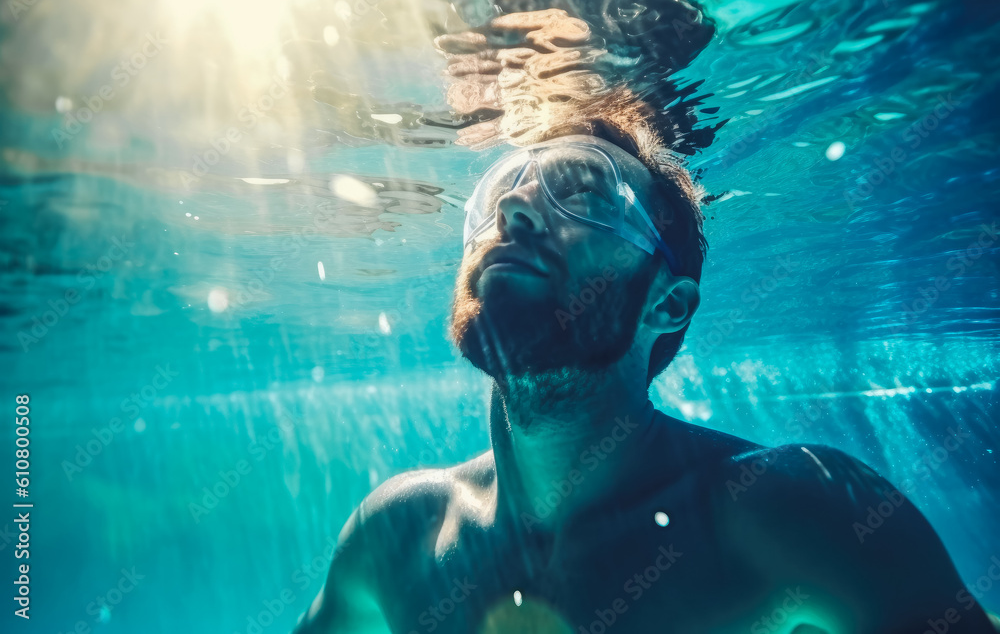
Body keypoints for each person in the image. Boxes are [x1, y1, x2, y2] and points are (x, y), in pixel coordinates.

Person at [292, 126, 1000, 633]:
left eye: (585, 198)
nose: (513, 211)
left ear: (667, 303)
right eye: (500, 197)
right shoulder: (393, 533)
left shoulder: (788, 510)